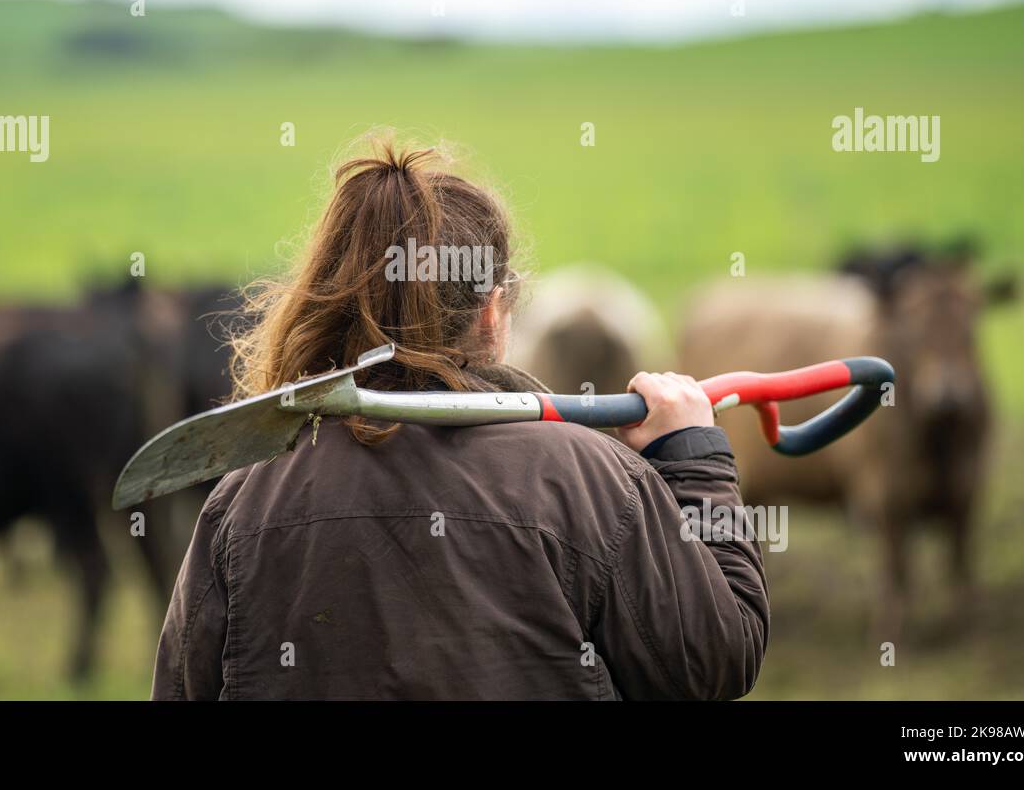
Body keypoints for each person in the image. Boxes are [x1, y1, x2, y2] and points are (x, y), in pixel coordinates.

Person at [152, 133, 768, 700]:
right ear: (492, 314)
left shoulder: (241, 503)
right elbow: (714, 661)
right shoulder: (591, 479)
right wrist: (694, 458)